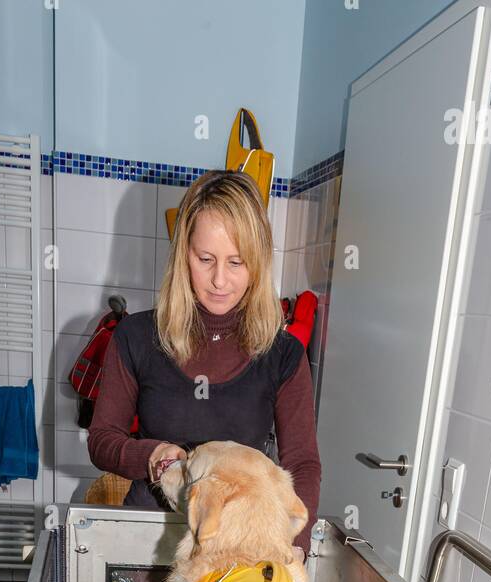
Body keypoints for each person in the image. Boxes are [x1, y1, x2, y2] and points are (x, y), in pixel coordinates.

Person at [87, 168, 321, 558]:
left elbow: (303, 463)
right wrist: (151, 456)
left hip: (236, 552)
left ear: (258, 264)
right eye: (206, 259)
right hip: (148, 546)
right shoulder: (136, 337)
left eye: (236, 262)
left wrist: (293, 543)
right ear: (184, 255)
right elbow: (102, 440)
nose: (219, 280)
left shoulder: (284, 356)